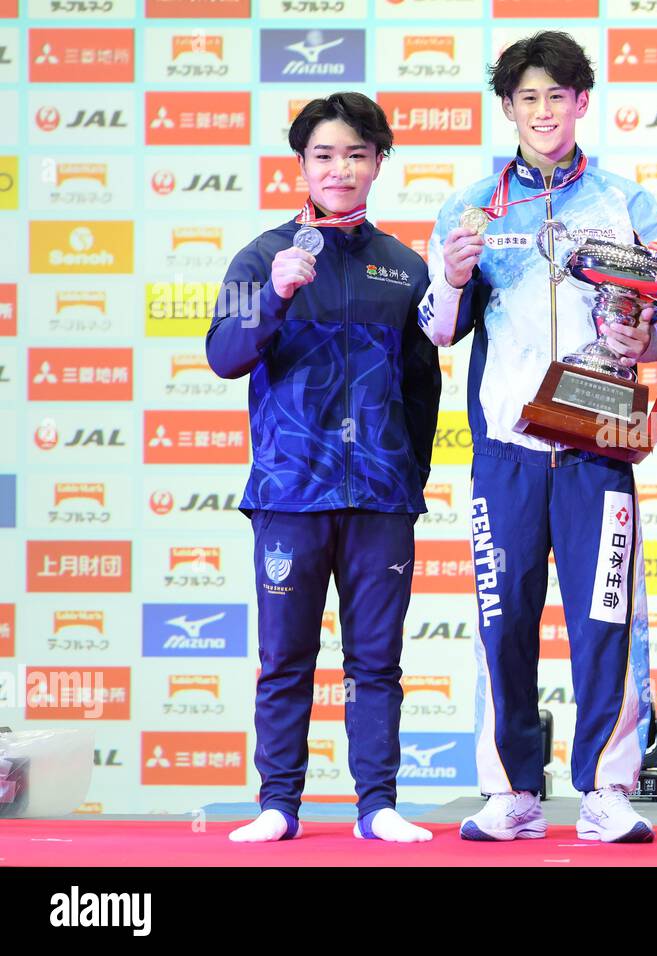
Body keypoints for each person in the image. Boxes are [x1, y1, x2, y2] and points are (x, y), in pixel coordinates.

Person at [418, 31, 657, 843]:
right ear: (507, 109)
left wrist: (642, 337)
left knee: (605, 619)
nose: (542, 111)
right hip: (506, 446)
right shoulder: (470, 208)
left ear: (582, 103)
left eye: (557, 96)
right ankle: (512, 790)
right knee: (505, 617)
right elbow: (437, 329)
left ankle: (607, 787)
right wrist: (453, 279)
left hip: (599, 434)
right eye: (526, 98)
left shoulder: (628, 202)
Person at [207, 92, 439, 844]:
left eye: (356, 154)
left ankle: (378, 805)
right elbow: (224, 355)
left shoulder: (405, 268)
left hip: (380, 497)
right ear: (301, 163)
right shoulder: (260, 256)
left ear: (378, 163)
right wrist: (275, 295)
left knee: (378, 663)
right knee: (285, 659)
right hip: (288, 491)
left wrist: (406, 478)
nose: (341, 169)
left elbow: (422, 389)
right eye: (324, 155)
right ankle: (278, 803)